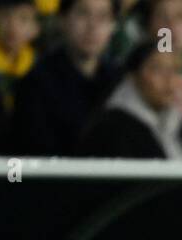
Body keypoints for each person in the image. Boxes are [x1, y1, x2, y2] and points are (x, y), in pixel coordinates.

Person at [10, 0, 118, 155]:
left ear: (113, 26)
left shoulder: (120, 81)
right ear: (62, 20)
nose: (92, 26)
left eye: (102, 17)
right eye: (83, 14)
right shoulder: (36, 82)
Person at [77, 43, 182, 157]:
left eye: (175, 69)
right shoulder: (112, 129)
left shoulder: (176, 123)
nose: (169, 79)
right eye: (157, 69)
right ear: (132, 77)